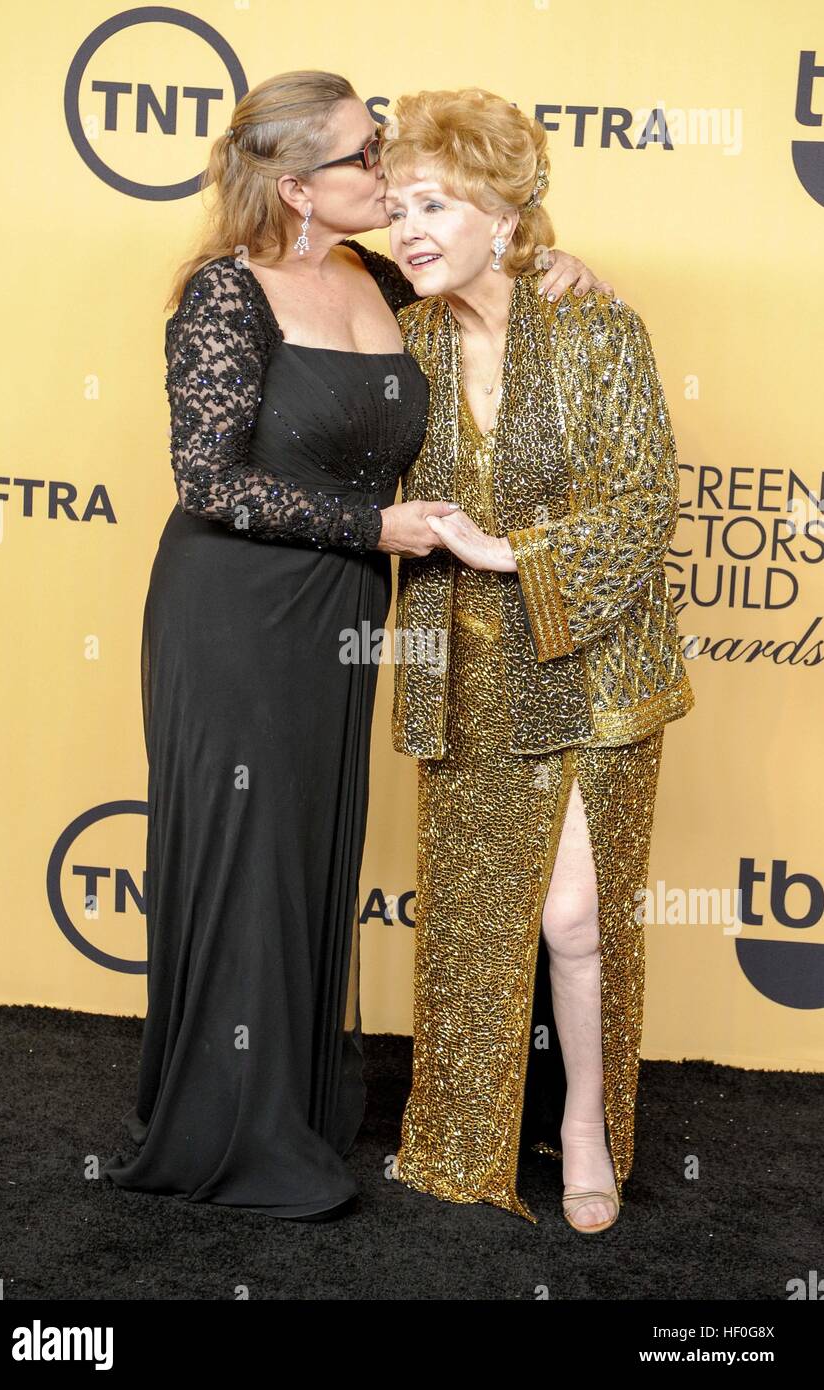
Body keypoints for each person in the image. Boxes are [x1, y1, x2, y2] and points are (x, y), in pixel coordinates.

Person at [102, 70, 608, 1220]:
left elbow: (497, 285)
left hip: (340, 611)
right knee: (247, 852)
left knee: (309, 850)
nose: (388, 176)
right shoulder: (224, 296)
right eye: (364, 158)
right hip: (233, 611)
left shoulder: (378, 276)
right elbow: (208, 482)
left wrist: (564, 269)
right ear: (295, 187)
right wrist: (371, 526)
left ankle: (290, 1101)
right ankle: (230, 1133)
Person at [380, 87, 695, 1233]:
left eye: (435, 204)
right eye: (397, 204)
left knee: (575, 915)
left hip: (595, 663)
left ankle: (585, 1127)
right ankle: (461, 1126)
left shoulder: (594, 325)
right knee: (471, 912)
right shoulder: (394, 332)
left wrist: (504, 554)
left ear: (506, 217)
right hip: (461, 673)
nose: (407, 226)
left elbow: (639, 500)